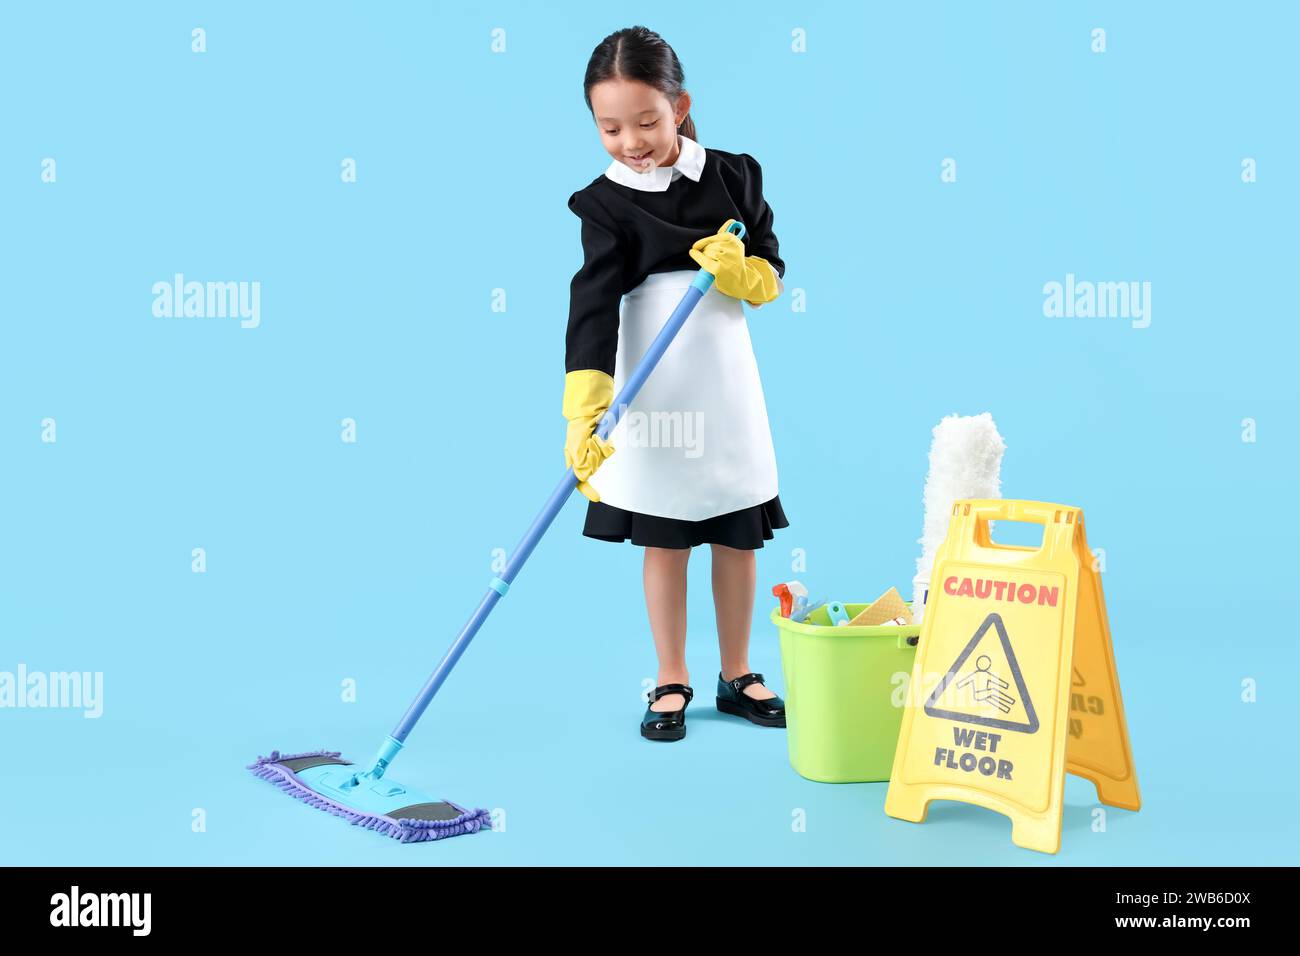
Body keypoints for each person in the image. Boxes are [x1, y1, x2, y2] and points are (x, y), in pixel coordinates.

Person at [564, 26, 790, 741]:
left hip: (724, 385)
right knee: (666, 538)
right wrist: (585, 409)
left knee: (736, 531)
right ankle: (670, 677)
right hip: (652, 386)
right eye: (610, 127)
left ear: (681, 105)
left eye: (647, 122)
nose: (630, 141)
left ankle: (737, 672)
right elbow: (593, 305)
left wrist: (745, 272)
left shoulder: (733, 175)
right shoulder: (602, 204)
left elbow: (774, 268)